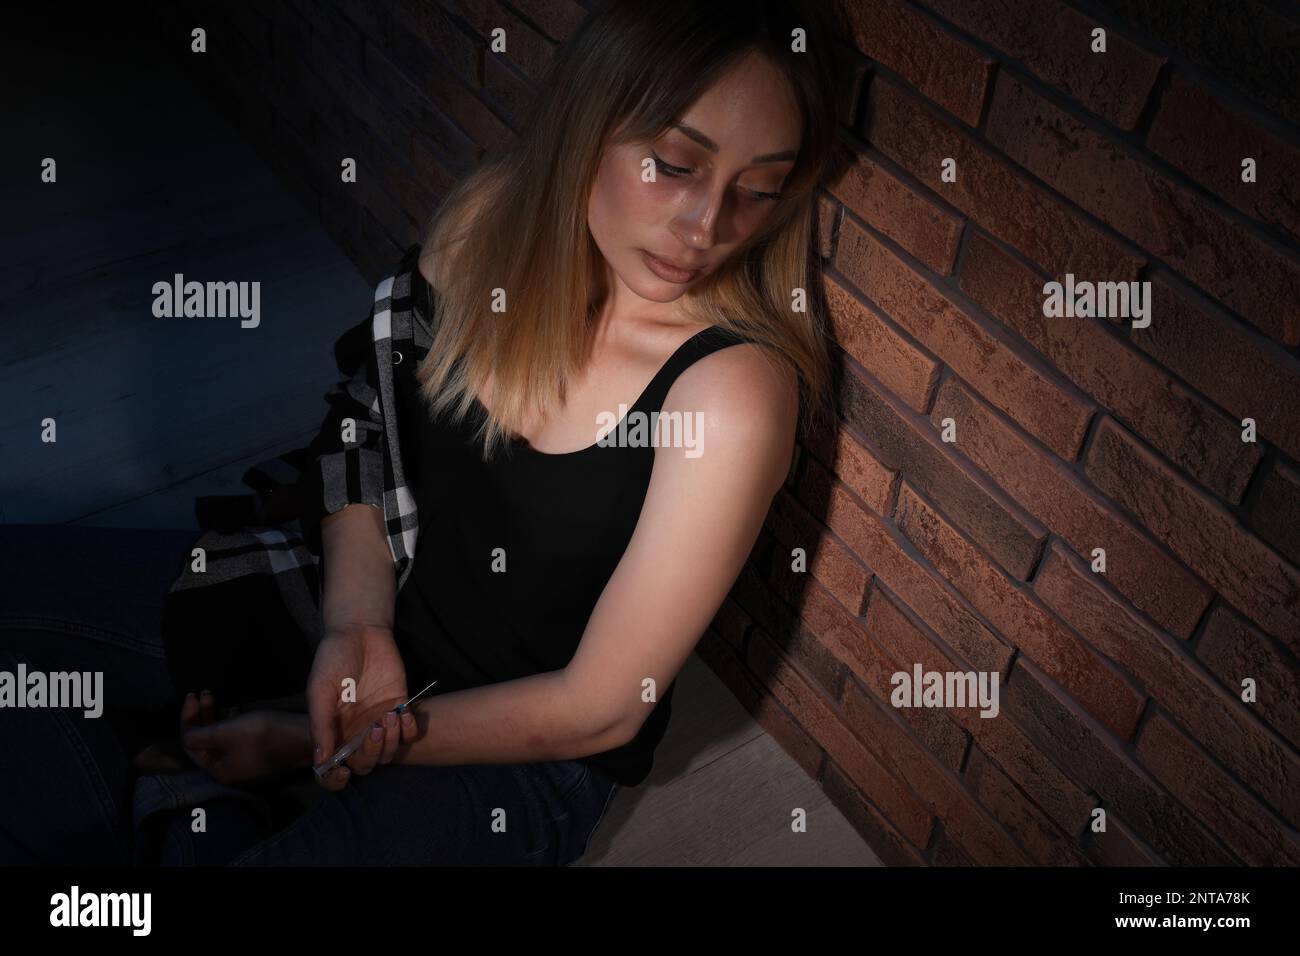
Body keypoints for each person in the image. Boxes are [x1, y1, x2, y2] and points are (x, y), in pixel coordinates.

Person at [0, 0, 841, 866]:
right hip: (336, 595)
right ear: (589, 122)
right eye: (673, 165)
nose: (707, 228)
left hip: (517, 744)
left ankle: (187, 801)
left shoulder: (731, 393)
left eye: (759, 190)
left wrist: (308, 738)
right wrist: (354, 627)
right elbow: (366, 426)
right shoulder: (487, 220)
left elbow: (602, 705)